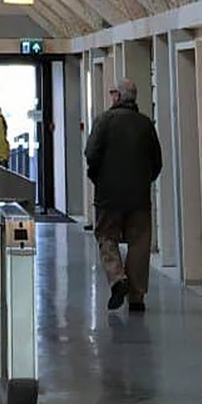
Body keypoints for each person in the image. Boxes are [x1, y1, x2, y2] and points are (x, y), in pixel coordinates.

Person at [85, 77, 163, 312]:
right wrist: (143, 180)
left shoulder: (104, 121)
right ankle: (137, 297)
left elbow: (91, 153)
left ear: (117, 96)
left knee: (106, 236)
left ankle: (118, 279)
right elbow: (157, 161)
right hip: (139, 196)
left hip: (108, 195)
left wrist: (97, 177)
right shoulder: (145, 124)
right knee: (139, 242)